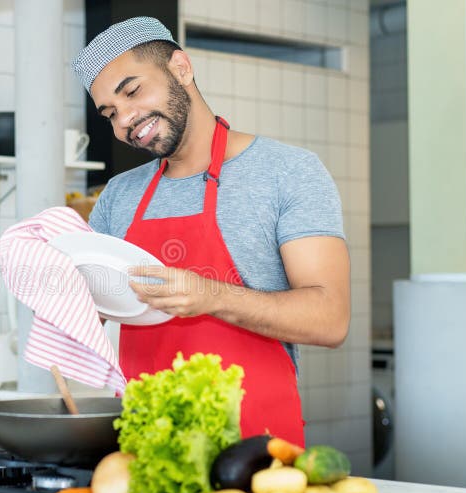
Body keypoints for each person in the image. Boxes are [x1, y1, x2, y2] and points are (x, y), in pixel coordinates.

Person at [71, 17, 350, 446]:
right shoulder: (119, 195)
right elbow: (88, 314)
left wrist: (211, 296)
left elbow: (331, 320)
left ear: (181, 68)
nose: (125, 119)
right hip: (149, 447)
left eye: (133, 91)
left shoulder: (287, 172)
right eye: (110, 113)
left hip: (256, 448)